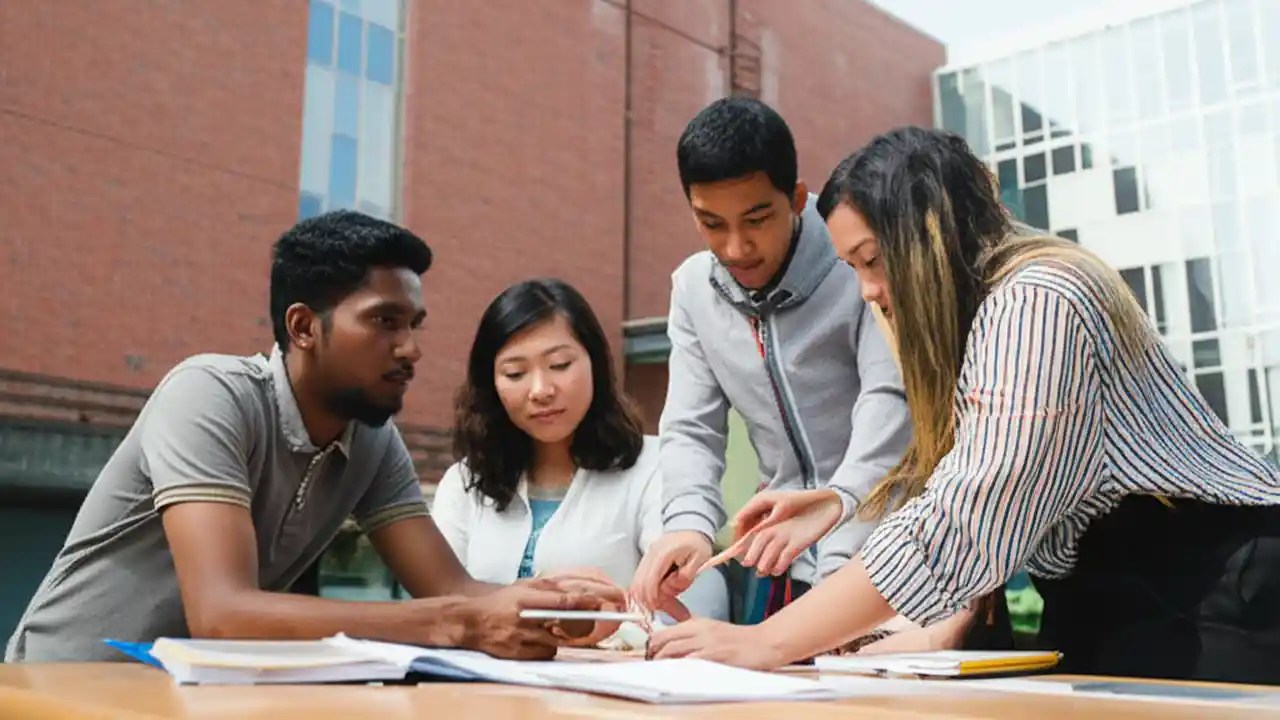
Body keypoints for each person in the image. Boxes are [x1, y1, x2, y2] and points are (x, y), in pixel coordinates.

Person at [647, 127, 1280, 684]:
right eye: (851, 266)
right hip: (1099, 589)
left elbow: (970, 514)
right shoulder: (982, 318)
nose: (868, 291)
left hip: (1211, 588)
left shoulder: (1039, 302)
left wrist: (767, 641)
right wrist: (844, 501)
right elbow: (983, 495)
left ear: (928, 233)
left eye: (872, 261)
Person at [6, 211, 619, 663]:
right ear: (303, 327)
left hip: (181, 696)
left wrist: (547, 605)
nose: (411, 348)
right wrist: (458, 622)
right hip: (60, 686)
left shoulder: (374, 443)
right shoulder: (209, 396)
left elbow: (455, 591)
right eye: (384, 322)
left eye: (414, 324)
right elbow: (222, 614)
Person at [630, 97, 912, 625]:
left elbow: (889, 402)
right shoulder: (693, 289)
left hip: (890, 556)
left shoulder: (858, 263)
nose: (736, 248)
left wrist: (840, 551)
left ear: (797, 197)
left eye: (757, 219)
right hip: (780, 561)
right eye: (711, 223)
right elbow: (691, 429)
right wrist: (687, 525)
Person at [431, 279, 729, 633]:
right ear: (491, 384)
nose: (541, 390)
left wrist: (603, 623)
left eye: (559, 365)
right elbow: (438, 610)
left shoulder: (658, 467)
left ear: (595, 364)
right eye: (515, 373)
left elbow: (692, 616)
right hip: (477, 687)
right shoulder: (465, 483)